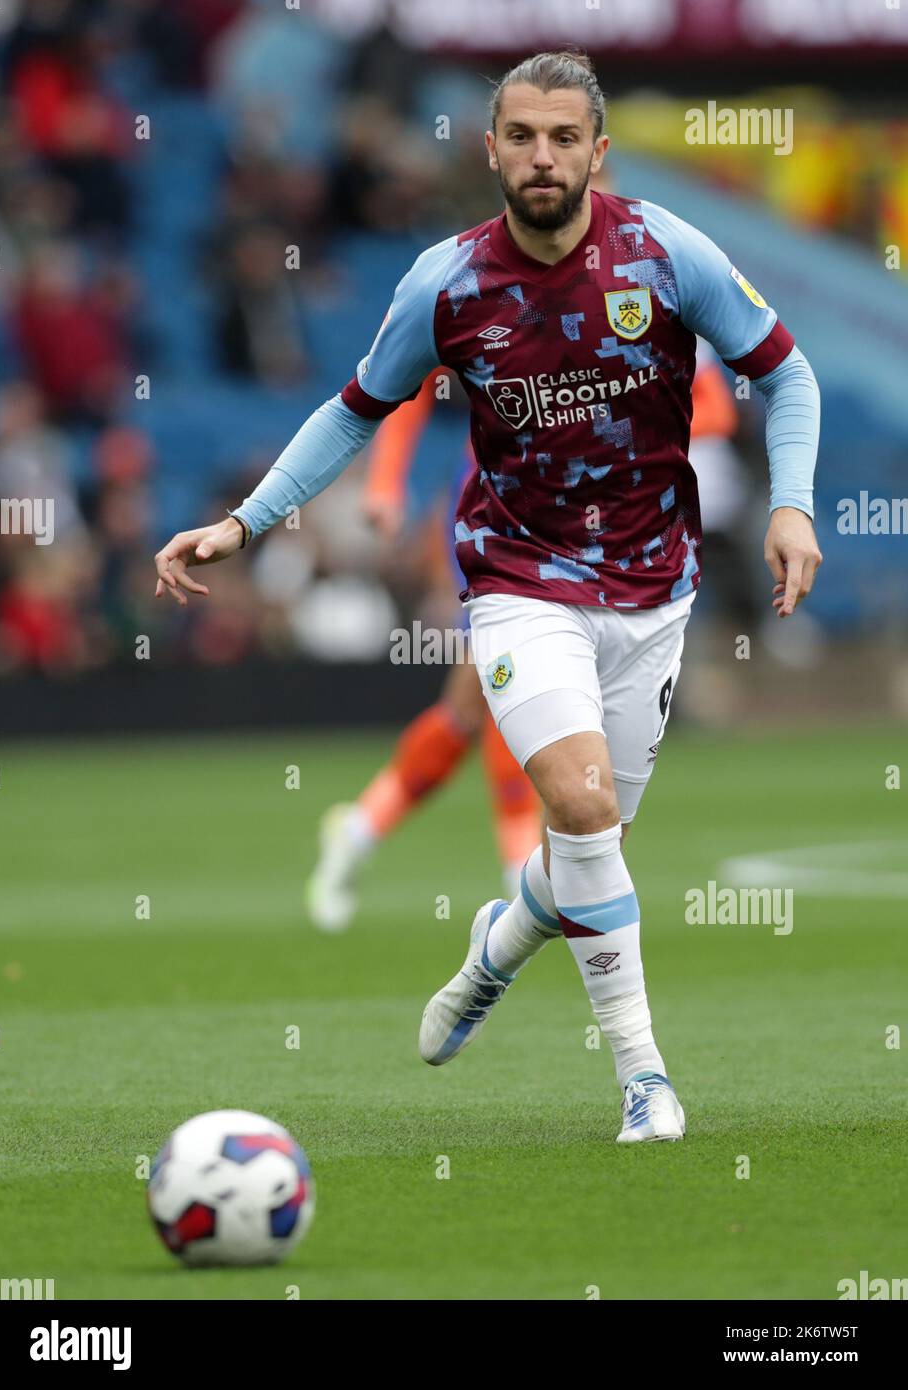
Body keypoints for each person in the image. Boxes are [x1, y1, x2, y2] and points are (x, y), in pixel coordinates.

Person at [155, 51, 821, 1144]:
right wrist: (242, 523)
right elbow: (353, 409)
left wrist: (790, 505)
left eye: (565, 137)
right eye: (522, 135)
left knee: (581, 853)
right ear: (491, 149)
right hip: (519, 583)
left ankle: (497, 946)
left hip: (654, 589)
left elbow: (785, 372)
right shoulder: (447, 283)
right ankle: (645, 1082)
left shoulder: (663, 252)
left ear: (598, 151)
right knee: (582, 802)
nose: (543, 156)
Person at [305, 372, 542, 930]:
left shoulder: (615, 293)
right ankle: (521, 874)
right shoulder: (474, 290)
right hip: (493, 504)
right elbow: (414, 379)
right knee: (504, 674)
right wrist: (385, 481)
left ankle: (359, 830)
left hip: (567, 504)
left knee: (468, 706)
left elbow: (715, 410)